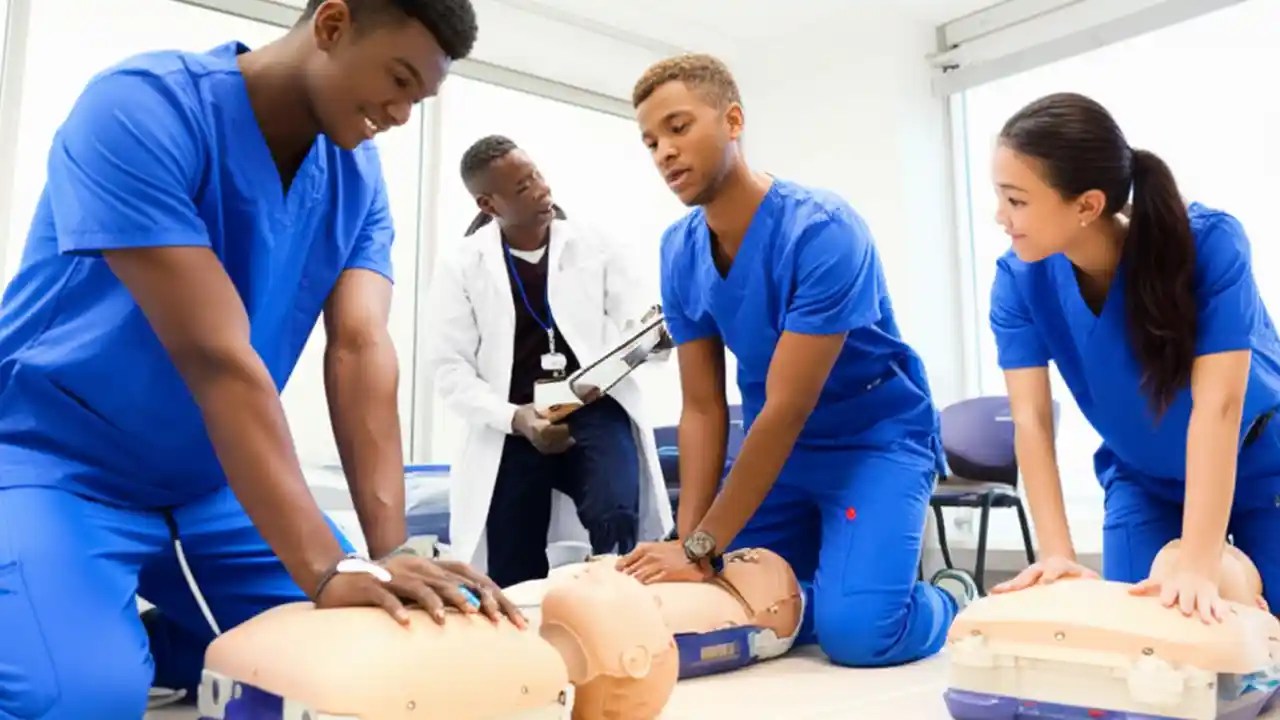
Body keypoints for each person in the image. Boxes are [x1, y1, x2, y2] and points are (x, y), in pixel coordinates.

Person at [0, 2, 525, 718]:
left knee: (374, 643)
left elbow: (361, 349)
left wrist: (390, 549)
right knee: (79, 696)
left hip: (210, 486)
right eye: (398, 80)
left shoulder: (357, 179)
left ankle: (147, 634)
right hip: (52, 465)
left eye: (419, 99)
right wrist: (323, 565)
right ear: (333, 25)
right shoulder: (140, 110)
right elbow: (217, 358)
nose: (402, 114)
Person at [616, 53, 979, 668]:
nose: (663, 153)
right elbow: (702, 407)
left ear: (733, 120)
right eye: (650, 142)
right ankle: (837, 589)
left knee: (860, 636)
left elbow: (788, 407)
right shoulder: (679, 250)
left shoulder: (823, 231)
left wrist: (705, 542)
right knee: (734, 602)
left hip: (874, 444)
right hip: (778, 458)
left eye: (679, 128)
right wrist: (689, 542)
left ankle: (949, 596)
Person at [984, 92, 1280, 620]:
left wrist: (1198, 561)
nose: (1000, 216)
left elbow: (1219, 408)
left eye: (1016, 200)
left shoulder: (1211, 244)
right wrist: (1057, 555)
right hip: (1144, 478)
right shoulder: (1018, 280)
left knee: (1254, 634)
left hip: (1262, 466)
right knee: (1146, 634)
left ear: (1088, 205)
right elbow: (1029, 420)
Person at [423, 135, 673, 588]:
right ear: (488, 203)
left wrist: (654, 335)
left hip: (594, 405)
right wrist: (517, 419)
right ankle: (523, 639)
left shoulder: (595, 244)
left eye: (535, 175)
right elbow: (450, 370)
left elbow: (634, 312)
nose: (540, 190)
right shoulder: (462, 264)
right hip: (515, 419)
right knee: (511, 549)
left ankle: (617, 606)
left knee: (617, 512)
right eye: (521, 188)